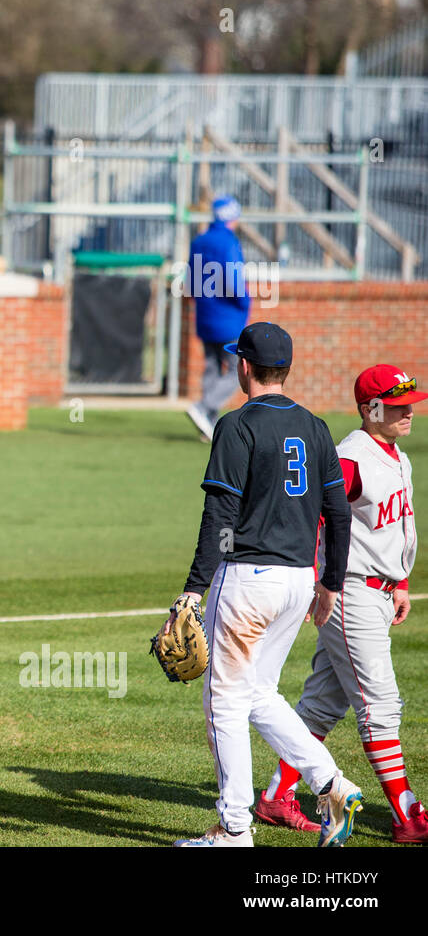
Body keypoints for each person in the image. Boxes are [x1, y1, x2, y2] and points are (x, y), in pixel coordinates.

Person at [168, 321, 363, 847]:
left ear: (245, 367)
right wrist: (330, 583)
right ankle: (332, 784)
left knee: (224, 703)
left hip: (247, 583)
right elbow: (338, 513)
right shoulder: (316, 426)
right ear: (287, 368)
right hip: (298, 582)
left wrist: (193, 587)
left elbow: (221, 514)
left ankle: (234, 828)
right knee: (258, 693)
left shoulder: (236, 425)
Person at [256, 364, 428, 844]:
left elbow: (394, 527)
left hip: (376, 590)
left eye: (409, 402)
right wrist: (320, 582)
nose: (409, 411)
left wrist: (401, 580)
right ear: (370, 409)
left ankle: (276, 796)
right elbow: (314, 517)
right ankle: (408, 816)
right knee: (380, 704)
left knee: (322, 703)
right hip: (349, 591)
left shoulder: (395, 454)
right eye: (396, 404)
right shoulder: (351, 458)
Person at [185, 195, 250, 441]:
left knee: (212, 367)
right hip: (228, 317)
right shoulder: (228, 243)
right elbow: (235, 281)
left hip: (205, 315)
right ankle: (203, 408)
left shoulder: (199, 241)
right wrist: (245, 302)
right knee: (236, 370)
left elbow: (190, 281)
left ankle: (206, 424)